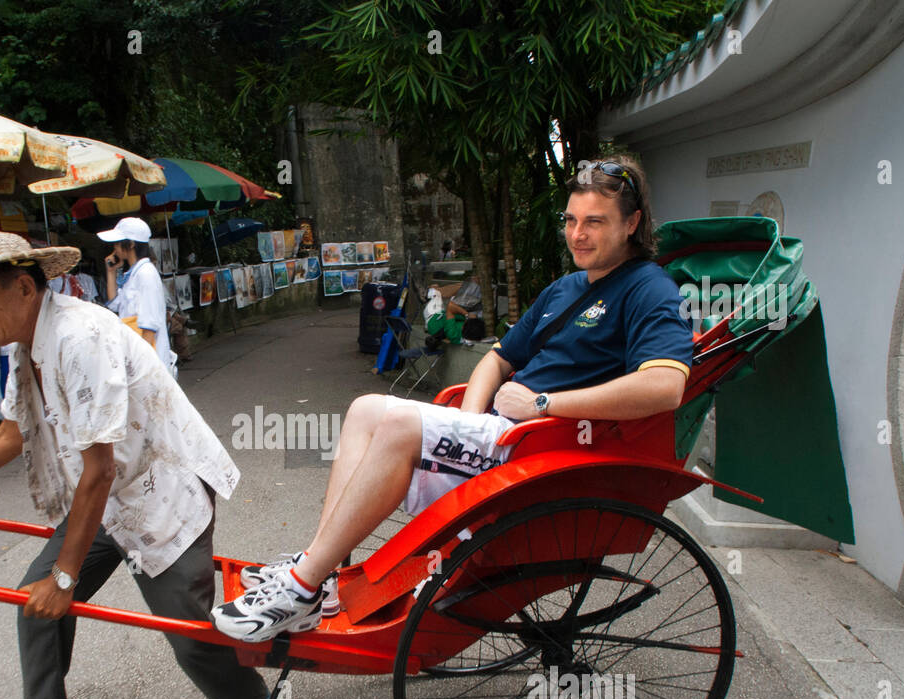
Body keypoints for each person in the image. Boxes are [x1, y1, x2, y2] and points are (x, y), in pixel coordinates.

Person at [212, 156, 693, 643]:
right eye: (571, 220)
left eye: (595, 222)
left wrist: (545, 403)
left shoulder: (648, 288)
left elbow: (665, 386)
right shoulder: (565, 288)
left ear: (632, 223)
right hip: (498, 435)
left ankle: (298, 585)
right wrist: (466, 423)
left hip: (542, 445)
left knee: (399, 425)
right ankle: (323, 578)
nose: (578, 234)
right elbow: (497, 359)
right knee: (364, 410)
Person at [0, 232, 277, 699]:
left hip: (159, 489)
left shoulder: (79, 338)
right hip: (104, 499)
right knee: (35, 606)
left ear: (24, 287)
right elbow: (12, 433)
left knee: (189, 637)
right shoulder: (26, 345)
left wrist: (65, 578)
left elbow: (99, 469)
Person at [99, 216, 176, 378]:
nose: (115, 248)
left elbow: (150, 324)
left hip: (148, 359)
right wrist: (111, 272)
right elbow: (114, 304)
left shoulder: (145, 274)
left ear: (131, 244)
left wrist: (141, 365)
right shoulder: (135, 274)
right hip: (138, 354)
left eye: (118, 243)